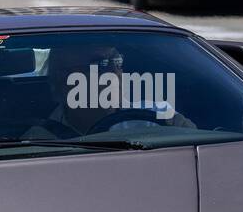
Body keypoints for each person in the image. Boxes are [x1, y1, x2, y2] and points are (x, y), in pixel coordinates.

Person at [24, 42, 192, 139]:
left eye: (117, 61)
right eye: (100, 64)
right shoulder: (41, 139)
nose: (114, 72)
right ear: (63, 77)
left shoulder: (160, 115)